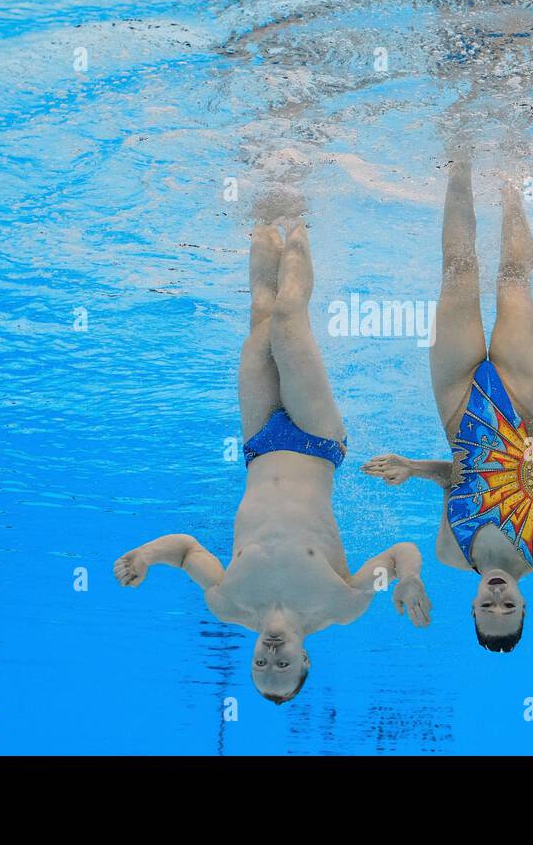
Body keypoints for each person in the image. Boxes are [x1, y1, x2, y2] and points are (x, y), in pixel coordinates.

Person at [116, 219, 431, 703]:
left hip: (259, 444)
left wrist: (146, 556)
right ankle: (302, 214)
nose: (272, 655)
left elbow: (183, 551)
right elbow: (399, 552)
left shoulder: (227, 602)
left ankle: (265, 214)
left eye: (261, 664)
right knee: (287, 321)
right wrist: (409, 579)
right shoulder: (342, 605)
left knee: (261, 316)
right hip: (316, 441)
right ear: (305, 661)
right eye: (283, 664)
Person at [364, 157, 533, 653]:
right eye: (509, 609)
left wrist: (414, 468)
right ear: (524, 606)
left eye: (488, 610)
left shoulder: (449, 551)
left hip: (456, 406)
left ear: (471, 608)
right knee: (513, 280)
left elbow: (458, 478)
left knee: (457, 274)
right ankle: (510, 177)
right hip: (522, 402)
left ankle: (458, 159)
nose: (498, 601)